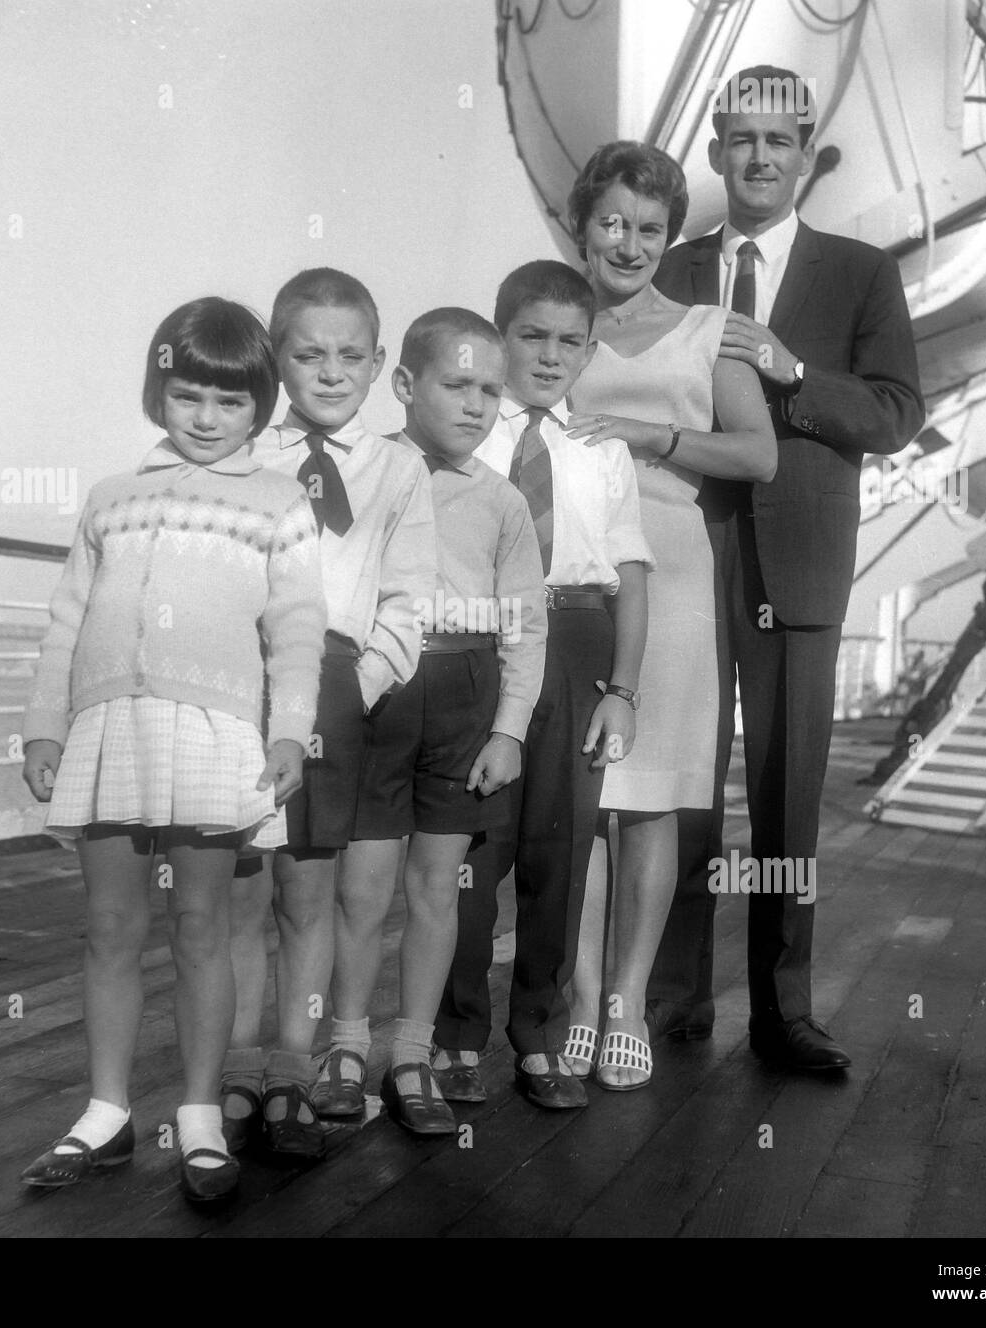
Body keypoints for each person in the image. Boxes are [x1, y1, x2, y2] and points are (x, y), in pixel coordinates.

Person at [646, 65, 925, 1069]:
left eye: (779, 142)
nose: (759, 157)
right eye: (741, 140)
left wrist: (791, 370)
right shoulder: (669, 270)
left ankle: (782, 1009)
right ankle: (671, 1004)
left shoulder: (860, 271)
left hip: (798, 561)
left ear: (807, 159)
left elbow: (895, 413)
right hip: (681, 550)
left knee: (784, 792)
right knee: (679, 782)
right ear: (717, 151)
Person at [18, 296, 326, 1201]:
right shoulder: (110, 499)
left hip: (213, 732)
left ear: (258, 408)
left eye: (230, 404)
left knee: (202, 928)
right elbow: (67, 619)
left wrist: (287, 731)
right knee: (109, 927)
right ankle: (106, 1112)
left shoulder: (277, 502)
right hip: (108, 730)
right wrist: (44, 724)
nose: (206, 418)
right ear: (160, 392)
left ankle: (198, 1112)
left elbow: (297, 628)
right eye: (189, 395)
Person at [563, 141, 775, 1090]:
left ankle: (625, 1004)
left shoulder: (707, 329)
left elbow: (759, 454)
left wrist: (656, 436)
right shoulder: (555, 326)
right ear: (582, 225)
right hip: (569, 573)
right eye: (613, 221)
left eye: (651, 227)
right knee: (578, 801)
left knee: (647, 805)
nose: (632, 242)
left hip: (676, 577)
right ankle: (573, 999)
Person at [312, 308, 546, 1134]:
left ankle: (411, 1052)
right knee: (362, 885)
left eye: (491, 389)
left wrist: (510, 728)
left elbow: (525, 622)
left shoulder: (504, 501)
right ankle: (344, 1046)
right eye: (457, 384)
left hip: (465, 696)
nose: (477, 404)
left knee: (436, 887)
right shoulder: (361, 474)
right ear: (406, 385)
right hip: (382, 691)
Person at [220, 268, 436, 1159]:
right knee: (238, 894)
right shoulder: (242, 457)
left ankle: (290, 1072)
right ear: (276, 358)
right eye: (309, 354)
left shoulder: (399, 468)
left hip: (337, 693)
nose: (332, 370)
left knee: (308, 895)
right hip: (240, 691)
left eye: (352, 355)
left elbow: (410, 598)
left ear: (380, 361)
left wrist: (359, 686)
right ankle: (231, 1068)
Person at [434, 261, 653, 1110]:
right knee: (469, 852)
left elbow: (631, 571)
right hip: (482, 640)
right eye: (531, 336)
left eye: (570, 340)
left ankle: (537, 1035)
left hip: (578, 637)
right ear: (498, 337)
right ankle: (455, 1038)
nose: (551, 355)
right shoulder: (466, 435)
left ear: (591, 349)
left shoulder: (601, 448)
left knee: (559, 851)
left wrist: (622, 690)